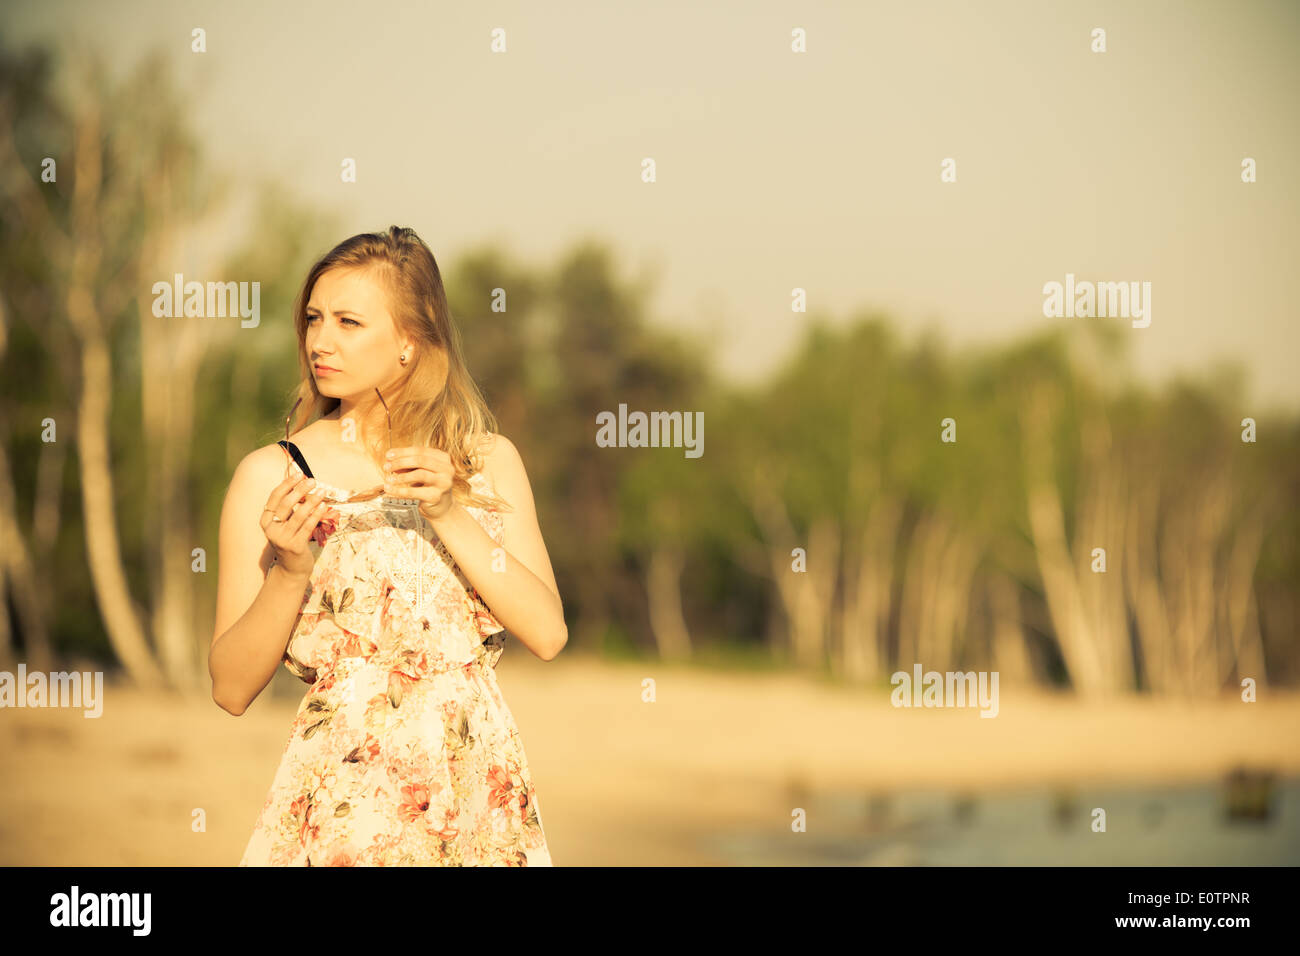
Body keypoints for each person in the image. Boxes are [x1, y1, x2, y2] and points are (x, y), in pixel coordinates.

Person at [209, 225, 564, 866]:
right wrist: (289, 572)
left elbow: (547, 633)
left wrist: (450, 512)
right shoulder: (271, 475)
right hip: (347, 804)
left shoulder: (485, 463)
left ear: (410, 342)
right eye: (314, 319)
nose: (320, 340)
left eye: (348, 322)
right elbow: (230, 687)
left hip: (475, 794)